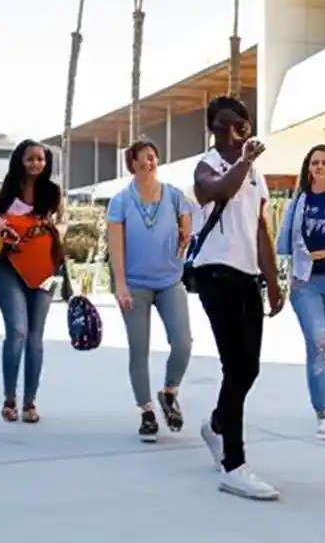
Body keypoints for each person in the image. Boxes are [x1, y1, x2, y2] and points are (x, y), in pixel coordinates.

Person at [192, 96, 284, 501]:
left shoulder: (256, 176)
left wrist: (273, 280)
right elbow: (215, 191)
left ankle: (216, 425)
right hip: (216, 273)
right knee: (237, 364)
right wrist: (244, 161)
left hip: (248, 276)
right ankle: (234, 462)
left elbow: (260, 229)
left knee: (249, 368)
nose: (232, 134)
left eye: (240, 126)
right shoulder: (207, 166)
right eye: (224, 126)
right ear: (212, 128)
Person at [107, 139, 193, 443]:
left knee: (182, 342)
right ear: (132, 164)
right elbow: (115, 246)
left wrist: (185, 229)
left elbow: (187, 220)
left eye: (153, 157)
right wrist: (120, 284)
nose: (148, 163)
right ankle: (146, 412)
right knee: (139, 348)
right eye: (142, 158)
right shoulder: (121, 201)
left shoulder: (173, 195)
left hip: (169, 281)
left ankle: (169, 393)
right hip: (135, 285)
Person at [276, 144, 325, 441]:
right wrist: (283, 280)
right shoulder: (300, 203)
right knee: (318, 344)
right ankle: (324, 413)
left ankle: (316, 388)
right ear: (309, 168)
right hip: (306, 283)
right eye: (314, 163)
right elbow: (285, 244)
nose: (319, 167)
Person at [0, 140, 65, 424]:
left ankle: (30, 402)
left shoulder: (52, 193)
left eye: (41, 159)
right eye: (31, 158)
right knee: (18, 331)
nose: (36, 163)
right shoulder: (8, 191)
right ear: (19, 160)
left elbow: (59, 225)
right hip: (8, 267)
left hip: (43, 269)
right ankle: (10, 397)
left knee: (35, 337)